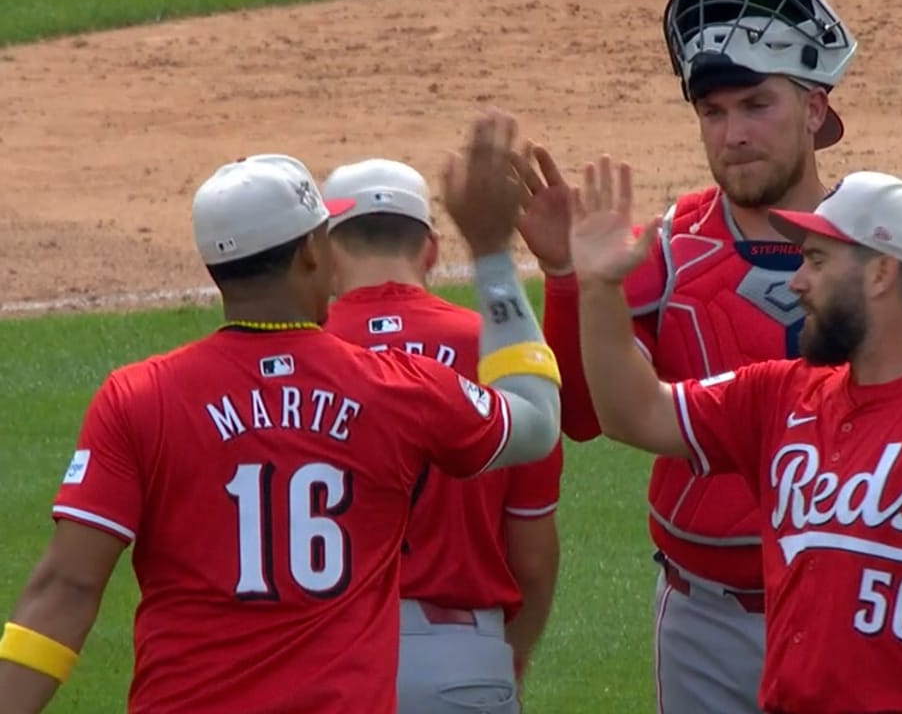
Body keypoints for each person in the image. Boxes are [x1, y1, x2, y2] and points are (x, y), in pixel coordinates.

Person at [514, 0, 902, 711]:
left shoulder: (899, 252)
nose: (732, 134)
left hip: (867, 615)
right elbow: (579, 418)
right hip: (709, 618)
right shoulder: (662, 256)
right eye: (713, 113)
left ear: (813, 108)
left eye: (755, 105)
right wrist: (574, 284)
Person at [0, 115, 562, 714]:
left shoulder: (140, 396)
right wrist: (494, 257)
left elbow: (65, 589)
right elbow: (535, 420)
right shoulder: (394, 388)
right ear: (313, 254)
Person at [568, 159, 902, 714]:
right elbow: (636, 414)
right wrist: (599, 290)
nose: (797, 281)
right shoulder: (780, 396)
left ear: (880, 274)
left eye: (818, 261)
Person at [320, 157, 563, 714]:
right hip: (461, 659)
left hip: (326, 659)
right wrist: (507, 658)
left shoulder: (298, 358)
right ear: (430, 249)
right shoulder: (504, 356)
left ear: (322, 252)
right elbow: (533, 557)